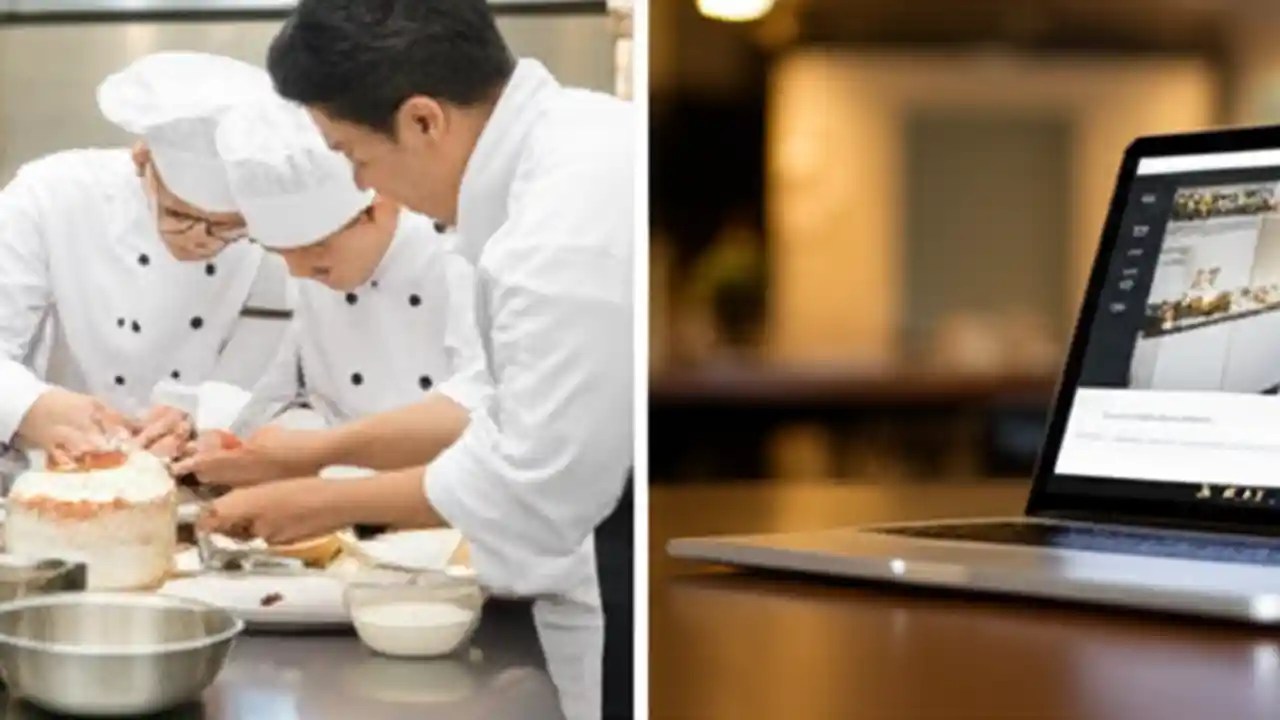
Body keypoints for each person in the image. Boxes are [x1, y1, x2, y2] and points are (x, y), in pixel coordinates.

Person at [182, 1, 634, 717]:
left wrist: (318, 499)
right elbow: (495, 404)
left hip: (626, 595)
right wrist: (308, 462)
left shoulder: (556, 234)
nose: (368, 185)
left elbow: (532, 487)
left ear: (424, 121)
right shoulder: (570, 146)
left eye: (355, 158)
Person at [0, 51, 286, 472]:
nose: (200, 239)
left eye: (227, 227)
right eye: (179, 215)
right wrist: (29, 406)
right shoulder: (51, 195)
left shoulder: (276, 233)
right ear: (141, 160)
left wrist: (200, 414)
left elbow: (270, 380)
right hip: (46, 474)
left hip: (192, 480)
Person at [199, 95, 489, 445]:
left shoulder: (461, 259)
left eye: (316, 248)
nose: (298, 272)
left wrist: (330, 452)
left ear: (378, 206)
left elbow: (482, 404)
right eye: (281, 253)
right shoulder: (312, 273)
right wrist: (212, 430)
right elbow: (277, 389)